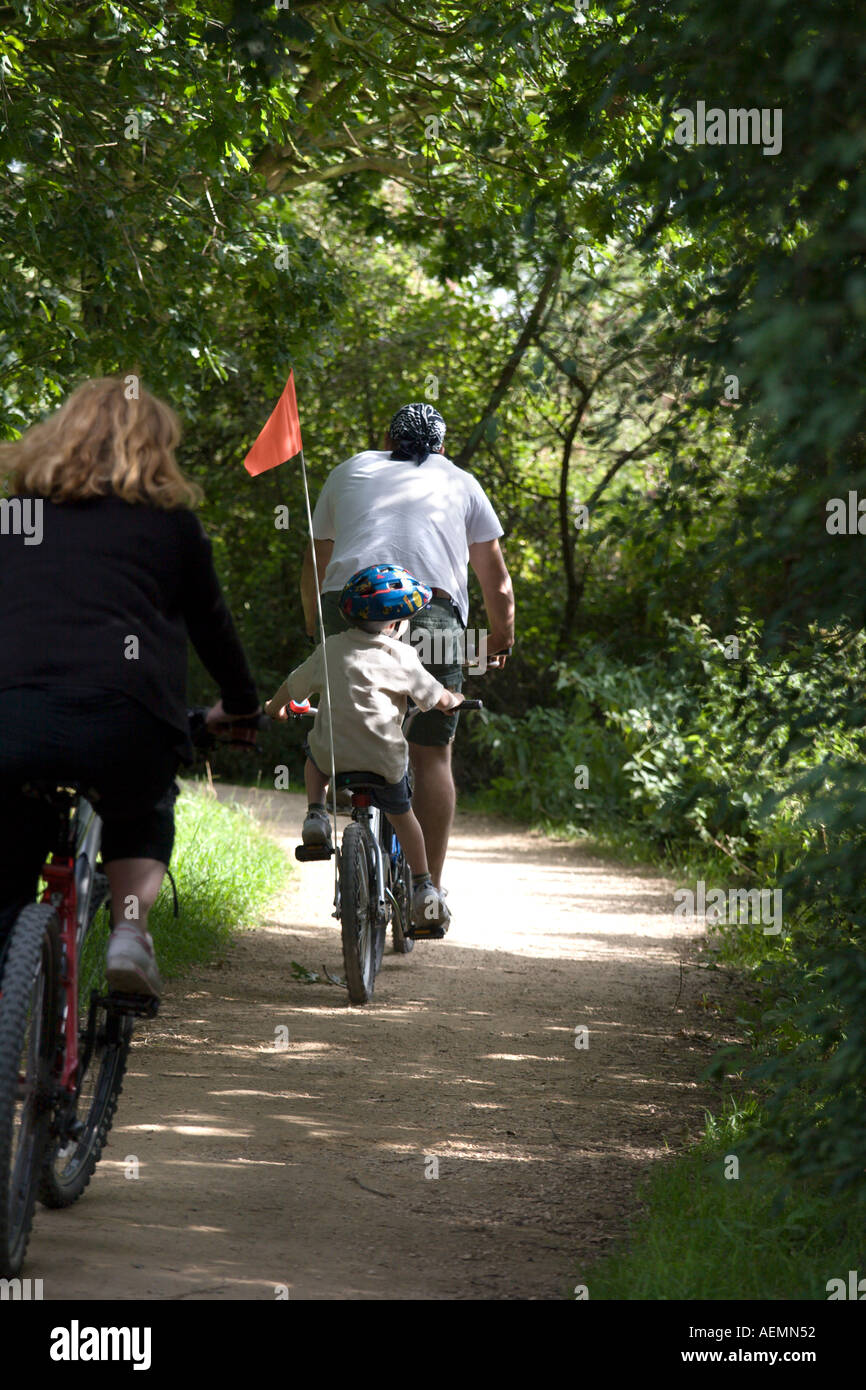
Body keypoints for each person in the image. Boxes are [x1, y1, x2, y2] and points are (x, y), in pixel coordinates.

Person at [0, 377, 260, 997]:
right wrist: (243, 706)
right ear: (155, 448)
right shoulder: (171, 526)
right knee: (141, 809)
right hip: (127, 719)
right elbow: (214, 629)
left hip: (12, 717)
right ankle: (128, 934)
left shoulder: (14, 516)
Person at [300, 403, 515, 898]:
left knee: (342, 724)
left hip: (347, 606)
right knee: (433, 754)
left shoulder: (349, 469)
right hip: (432, 612)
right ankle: (428, 892)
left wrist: (316, 629)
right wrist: (500, 640)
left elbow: (318, 560)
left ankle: (321, 811)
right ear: (442, 446)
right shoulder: (461, 481)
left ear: (387, 439)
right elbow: (497, 586)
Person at [267, 565, 463, 936]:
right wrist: (454, 699)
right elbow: (437, 697)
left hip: (334, 757)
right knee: (405, 818)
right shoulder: (401, 657)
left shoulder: (331, 650)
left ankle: (315, 815)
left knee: (313, 755)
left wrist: (274, 707)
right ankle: (424, 888)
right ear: (396, 624)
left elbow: (292, 686)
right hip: (383, 762)